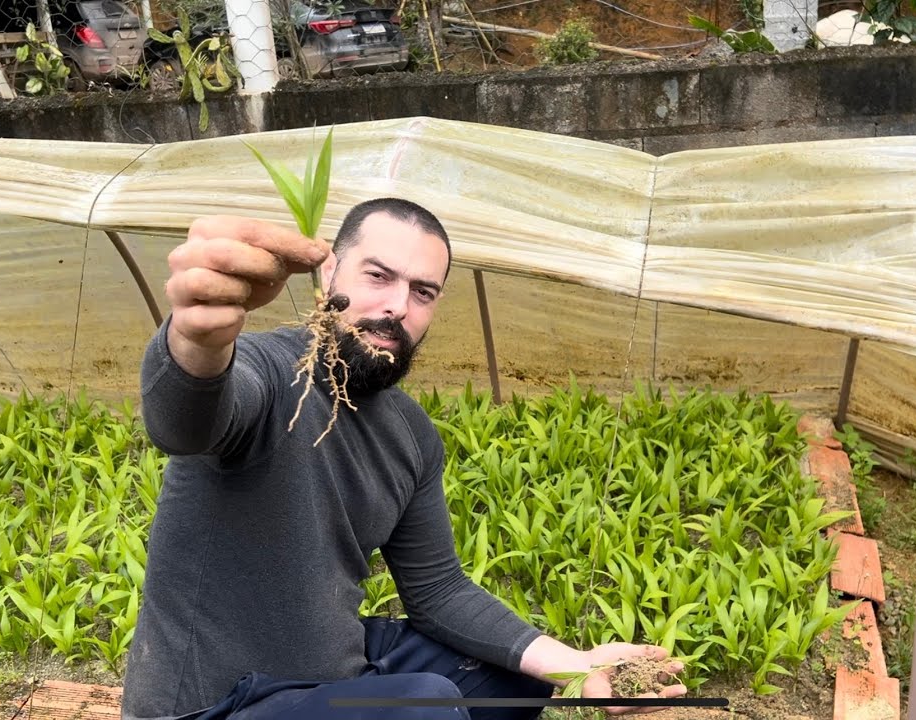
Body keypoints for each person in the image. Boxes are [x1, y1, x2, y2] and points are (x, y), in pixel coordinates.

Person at [121, 198, 687, 720]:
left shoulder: (411, 434)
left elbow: (438, 591)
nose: (397, 305)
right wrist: (197, 341)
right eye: (378, 276)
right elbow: (184, 424)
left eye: (423, 291)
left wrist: (577, 666)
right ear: (329, 273)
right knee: (427, 707)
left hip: (326, 677)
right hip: (210, 704)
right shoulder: (265, 372)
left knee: (512, 681)